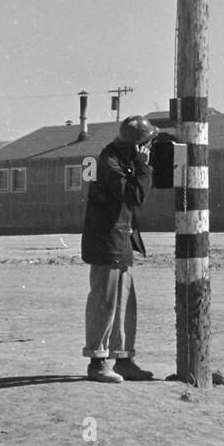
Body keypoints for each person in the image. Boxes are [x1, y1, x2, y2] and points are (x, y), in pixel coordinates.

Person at [81, 114, 157, 382]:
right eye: (146, 144)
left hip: (120, 240)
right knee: (104, 301)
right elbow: (134, 195)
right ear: (135, 146)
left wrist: (139, 165)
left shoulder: (122, 159)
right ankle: (98, 361)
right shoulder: (110, 163)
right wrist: (143, 166)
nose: (149, 149)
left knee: (125, 303)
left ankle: (123, 359)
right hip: (107, 243)